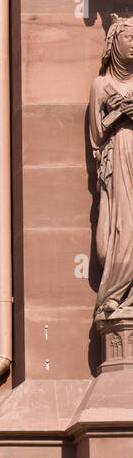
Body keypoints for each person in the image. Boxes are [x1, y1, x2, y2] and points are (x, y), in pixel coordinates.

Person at [90, 17, 133, 318]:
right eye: (129, 38)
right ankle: (115, 293)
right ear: (115, 43)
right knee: (123, 226)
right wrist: (116, 114)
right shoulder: (101, 85)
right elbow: (96, 137)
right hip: (117, 157)